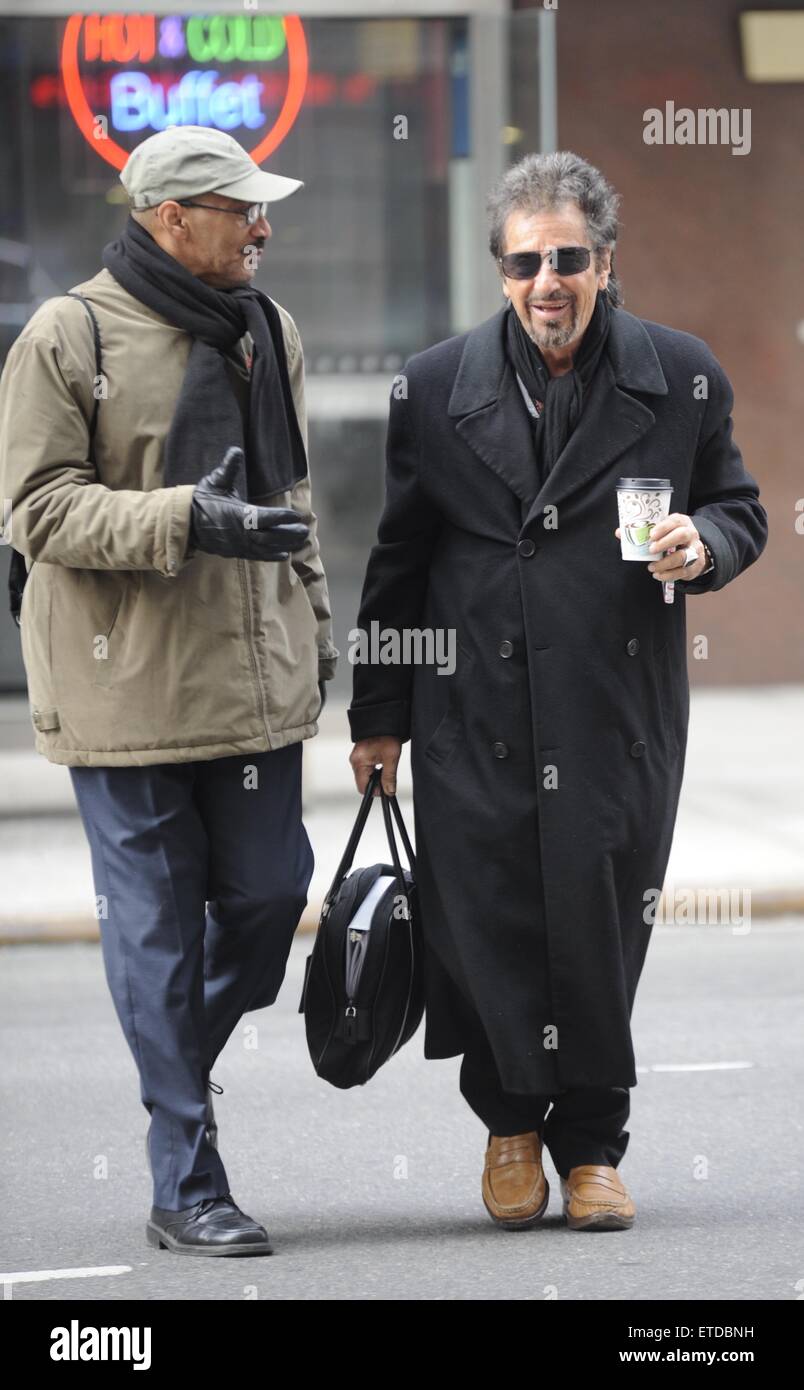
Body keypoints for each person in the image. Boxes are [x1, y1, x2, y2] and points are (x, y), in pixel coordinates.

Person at [347, 150, 768, 1232]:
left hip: (614, 715)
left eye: (569, 258)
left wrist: (702, 544)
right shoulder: (437, 386)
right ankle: (508, 1125)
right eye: (526, 260)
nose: (549, 281)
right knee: (484, 923)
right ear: (499, 270)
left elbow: (741, 508)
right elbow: (397, 563)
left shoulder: (680, 374)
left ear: (606, 260)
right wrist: (379, 716)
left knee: (597, 929)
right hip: (470, 716)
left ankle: (591, 1148)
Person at [0, 125, 338, 1256]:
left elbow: (292, 496)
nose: (264, 227)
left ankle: (167, 1061)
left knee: (265, 894)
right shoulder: (67, 334)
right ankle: (184, 1176)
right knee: (152, 933)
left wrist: (319, 633)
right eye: (241, 209)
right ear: (170, 217)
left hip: (253, 687)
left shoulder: (267, 328)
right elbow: (36, 509)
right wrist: (185, 518)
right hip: (123, 694)